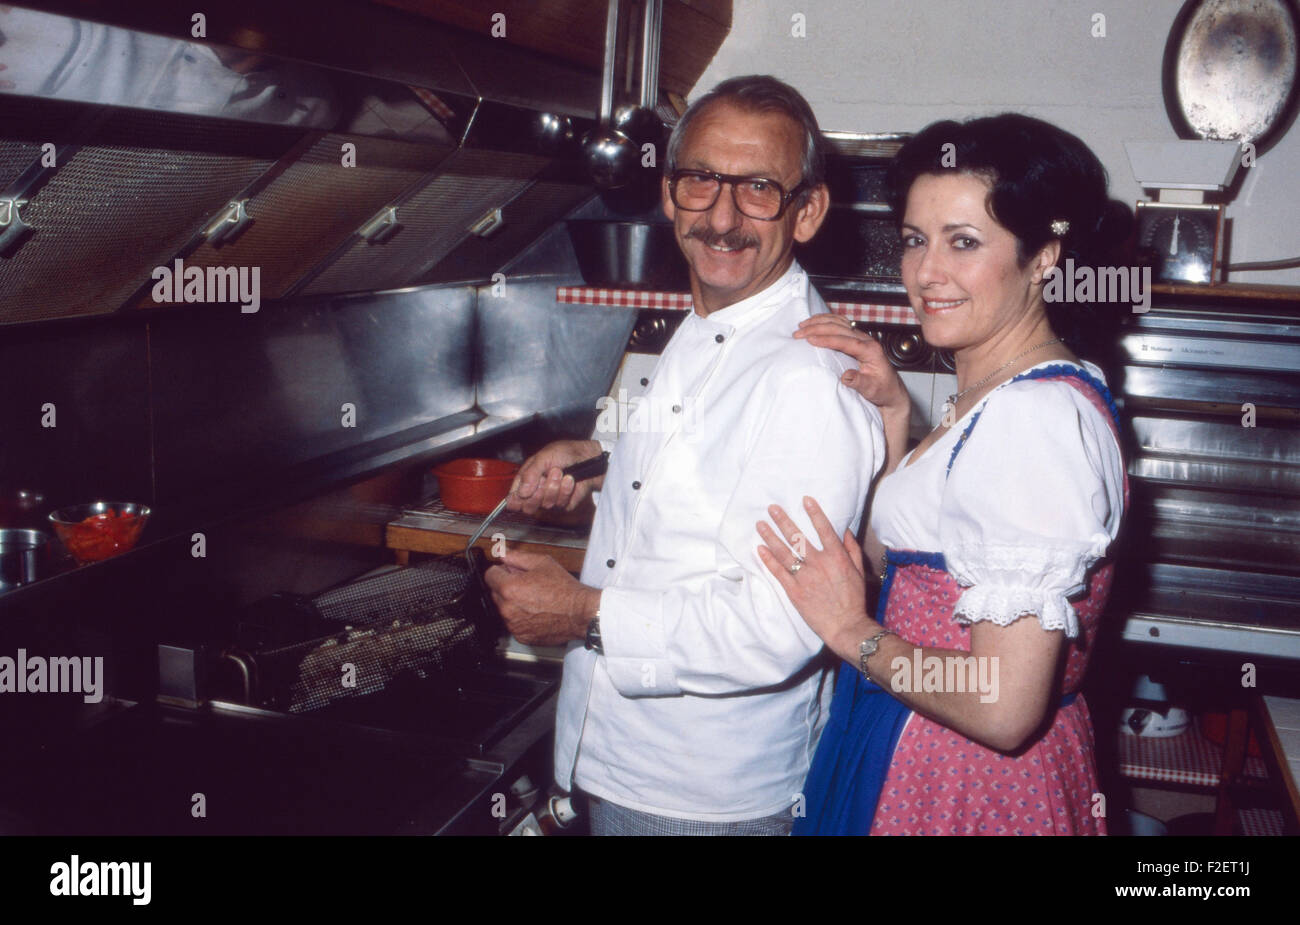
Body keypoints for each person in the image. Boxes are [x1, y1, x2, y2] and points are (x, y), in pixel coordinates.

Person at [484, 75, 884, 835]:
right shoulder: (708, 321)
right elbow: (706, 504)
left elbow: (780, 623)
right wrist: (600, 471)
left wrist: (581, 613)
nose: (723, 218)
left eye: (760, 188)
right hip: (624, 758)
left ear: (808, 211)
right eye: (702, 180)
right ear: (670, 194)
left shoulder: (805, 376)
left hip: (700, 795)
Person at [756, 113, 1130, 835]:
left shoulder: (1034, 421)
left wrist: (849, 630)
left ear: (1045, 255)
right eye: (914, 240)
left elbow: (1001, 705)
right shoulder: (1008, 395)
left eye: (964, 242)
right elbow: (900, 567)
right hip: (909, 738)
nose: (926, 273)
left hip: (962, 779)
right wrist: (898, 418)